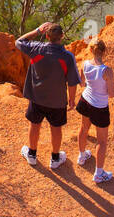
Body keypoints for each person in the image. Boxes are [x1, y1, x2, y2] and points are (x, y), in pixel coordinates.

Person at [14, 22, 80, 169]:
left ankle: (31, 155)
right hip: (57, 101)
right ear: (62, 36)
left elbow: (19, 41)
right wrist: (71, 99)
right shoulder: (68, 57)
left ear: (47, 36)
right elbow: (72, 82)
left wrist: (37, 30)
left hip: (37, 97)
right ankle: (55, 158)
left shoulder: (36, 49)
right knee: (56, 128)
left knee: (34, 124)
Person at [75, 38, 114, 183]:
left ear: (91, 50)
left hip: (85, 101)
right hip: (99, 106)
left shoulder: (84, 64)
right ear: (104, 52)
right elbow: (111, 94)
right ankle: (98, 174)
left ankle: (81, 156)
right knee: (102, 141)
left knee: (84, 128)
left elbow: (82, 83)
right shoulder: (107, 71)